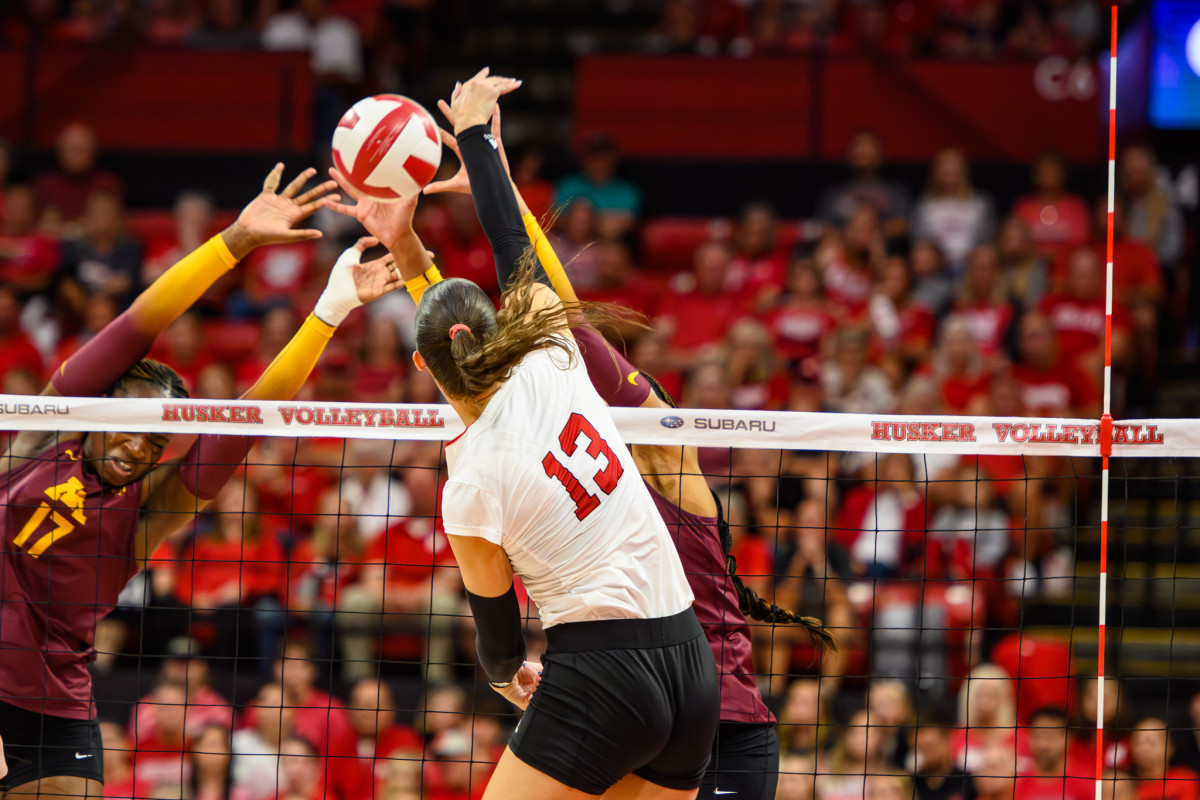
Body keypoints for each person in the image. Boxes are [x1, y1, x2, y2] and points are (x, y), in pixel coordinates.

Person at [376, 86, 835, 800]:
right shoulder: (555, 368)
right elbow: (519, 272)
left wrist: (460, 184)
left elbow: (482, 337)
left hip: (676, 703)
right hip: (689, 678)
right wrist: (477, 151)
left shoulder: (501, 466)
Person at [328, 68, 720, 799]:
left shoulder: (471, 484)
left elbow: (499, 635)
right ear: (500, 326)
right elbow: (512, 238)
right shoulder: (552, 351)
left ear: (419, 365)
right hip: (689, 664)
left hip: (603, 676)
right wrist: (474, 131)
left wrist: (508, 676)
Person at [0, 164, 402, 800]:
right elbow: (140, 320)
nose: (137, 446)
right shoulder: (45, 434)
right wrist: (236, 240)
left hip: (58, 702)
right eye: (128, 425)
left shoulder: (147, 510)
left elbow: (252, 417)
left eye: (153, 440)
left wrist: (329, 309)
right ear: (99, 409)